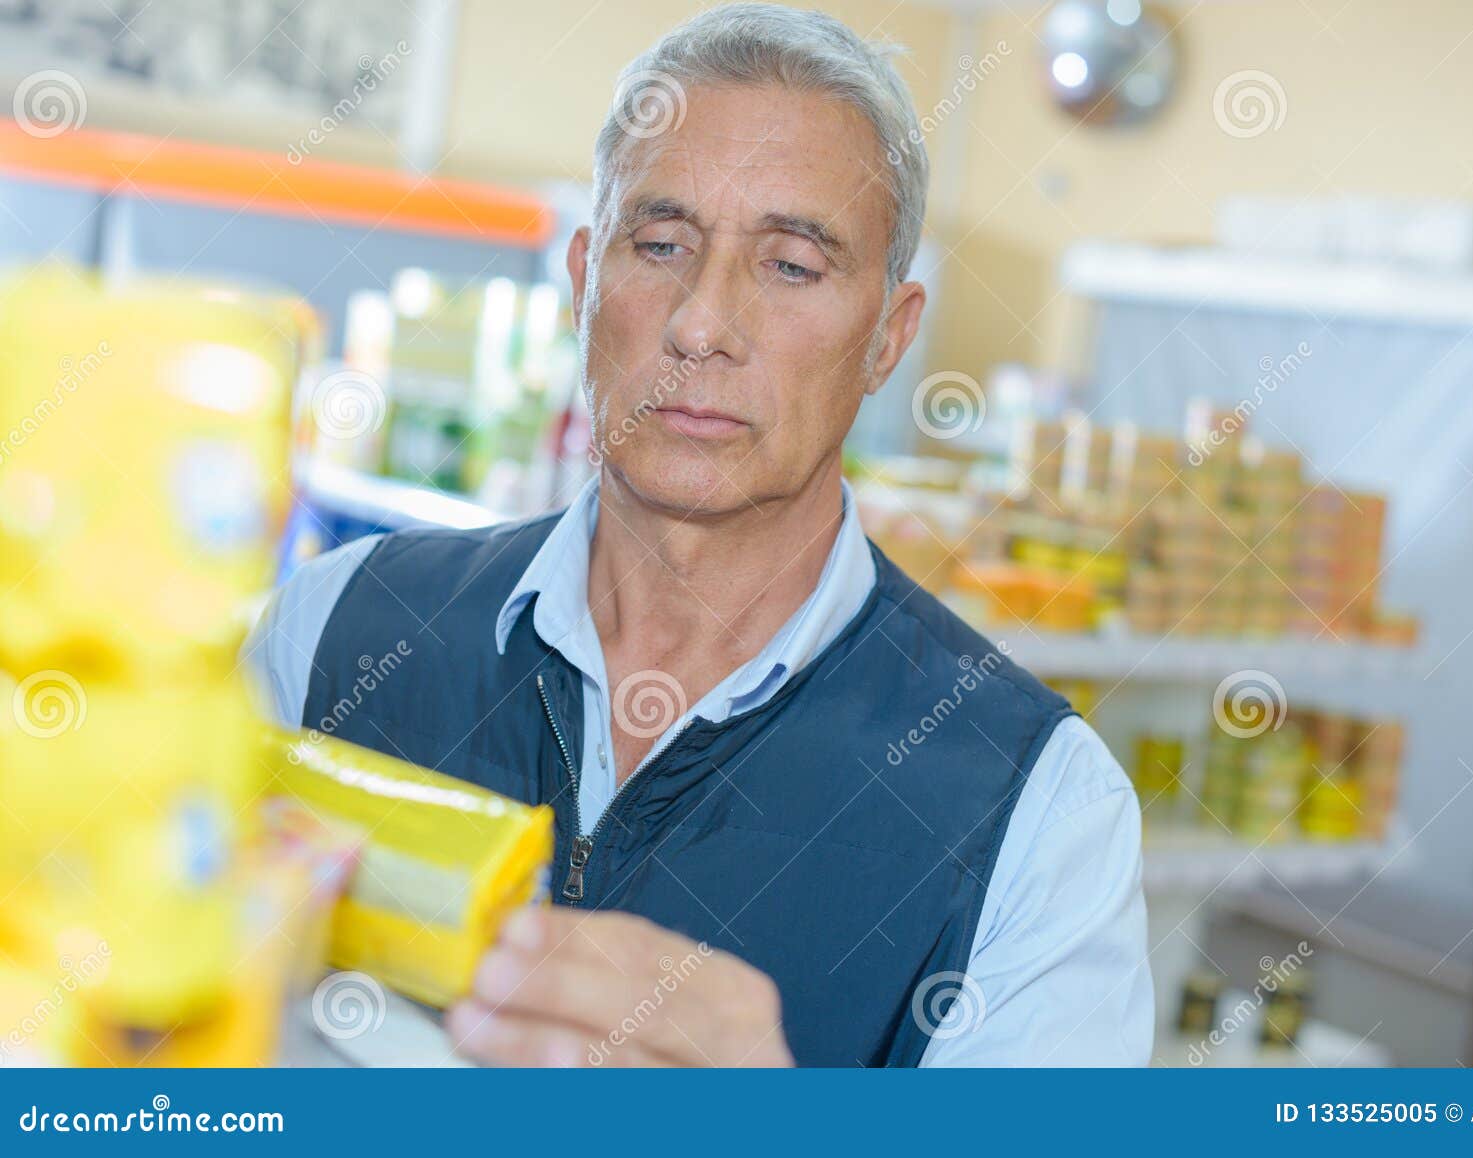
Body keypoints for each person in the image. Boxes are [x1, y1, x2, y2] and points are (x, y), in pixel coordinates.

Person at [246, 2, 1151, 1068]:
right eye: (661, 244)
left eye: (790, 266)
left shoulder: (1037, 811)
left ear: (888, 339)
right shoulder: (331, 634)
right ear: (584, 284)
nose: (702, 324)